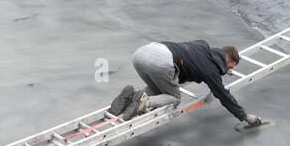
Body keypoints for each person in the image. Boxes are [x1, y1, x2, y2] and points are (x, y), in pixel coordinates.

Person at [109, 39, 263, 127]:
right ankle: (144, 102)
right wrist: (244, 116)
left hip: (143, 53)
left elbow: (191, 62)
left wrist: (224, 70)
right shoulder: (211, 70)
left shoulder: (202, 45)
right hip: (162, 61)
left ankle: (130, 98)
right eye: (230, 67)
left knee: (158, 89)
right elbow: (223, 95)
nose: (228, 70)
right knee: (174, 97)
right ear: (229, 59)